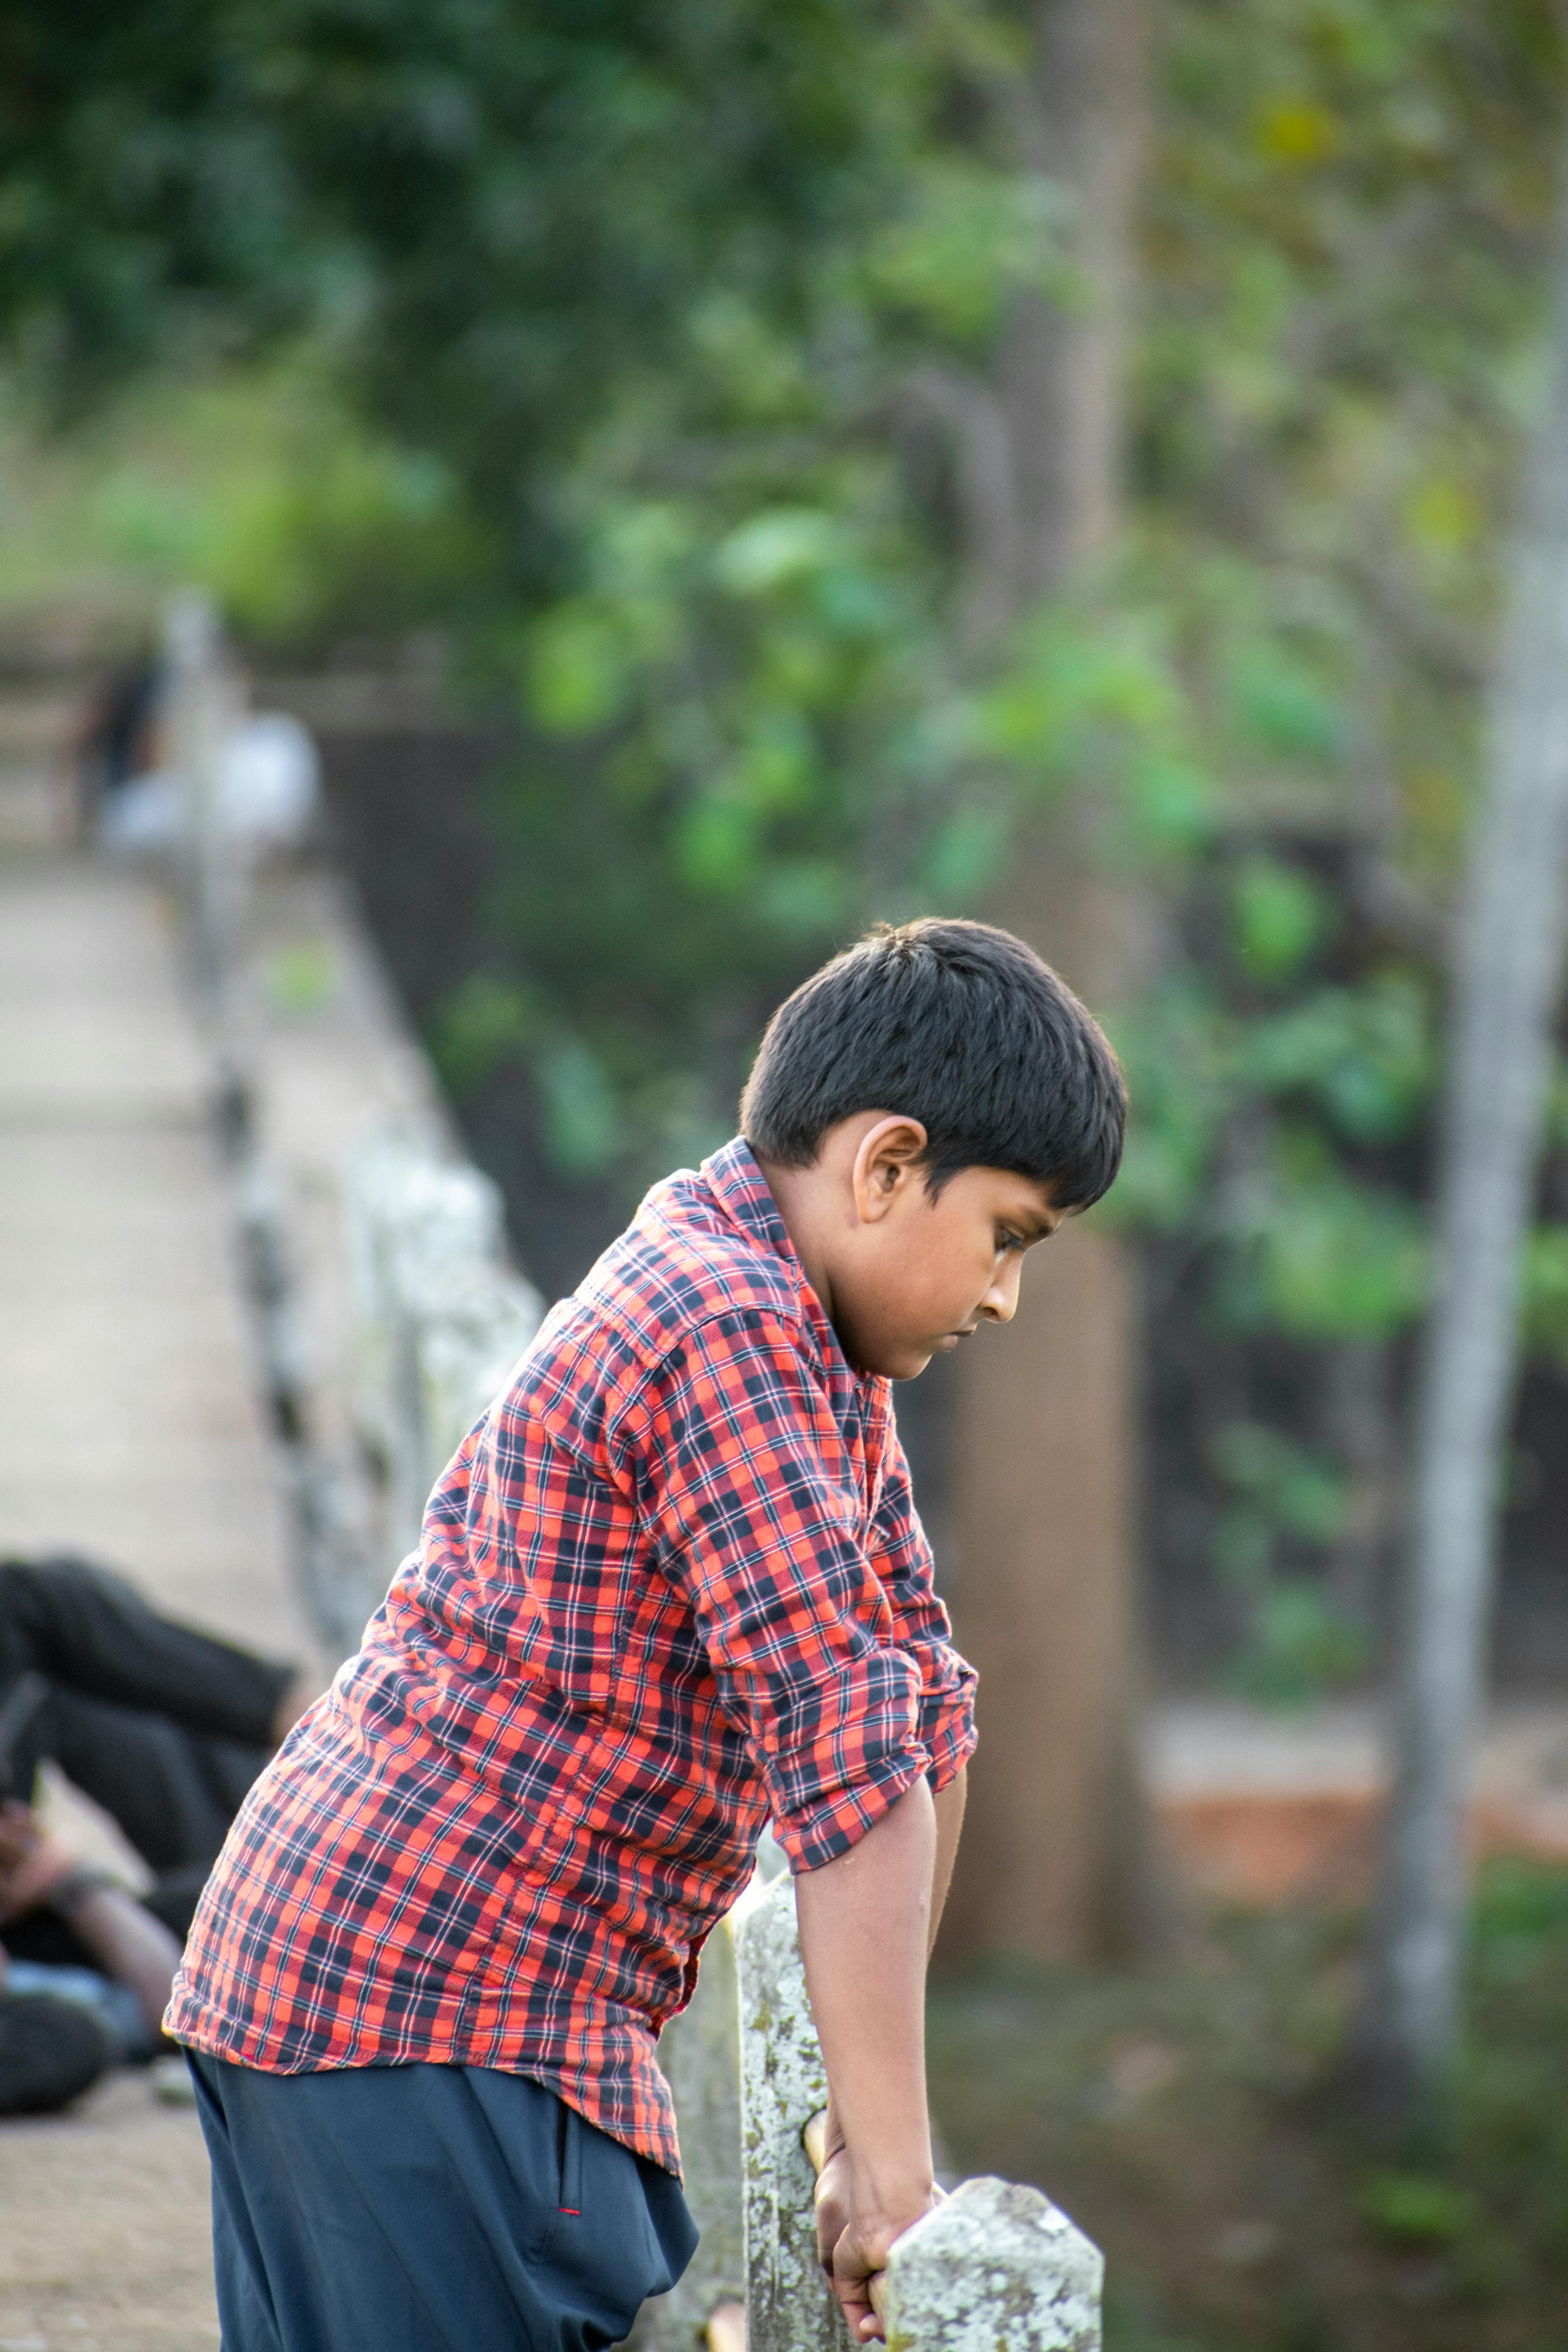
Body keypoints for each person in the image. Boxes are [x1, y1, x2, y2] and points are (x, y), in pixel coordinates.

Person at [166, 918, 1127, 2352]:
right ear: (884, 1167)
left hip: (394, 2013)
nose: (1005, 1294)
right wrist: (898, 2192)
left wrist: (871, 2143)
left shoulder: (803, 1332)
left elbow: (921, 1716)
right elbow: (852, 1765)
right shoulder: (723, 1320)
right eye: (1007, 1237)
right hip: (419, 2018)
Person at [0, 1554, 306, 2116]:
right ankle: (321, 1736)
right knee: (71, 2040)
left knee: (58, 1605)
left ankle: (314, 1734)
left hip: (43, 1926)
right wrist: (68, 1881)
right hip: (49, 1981)